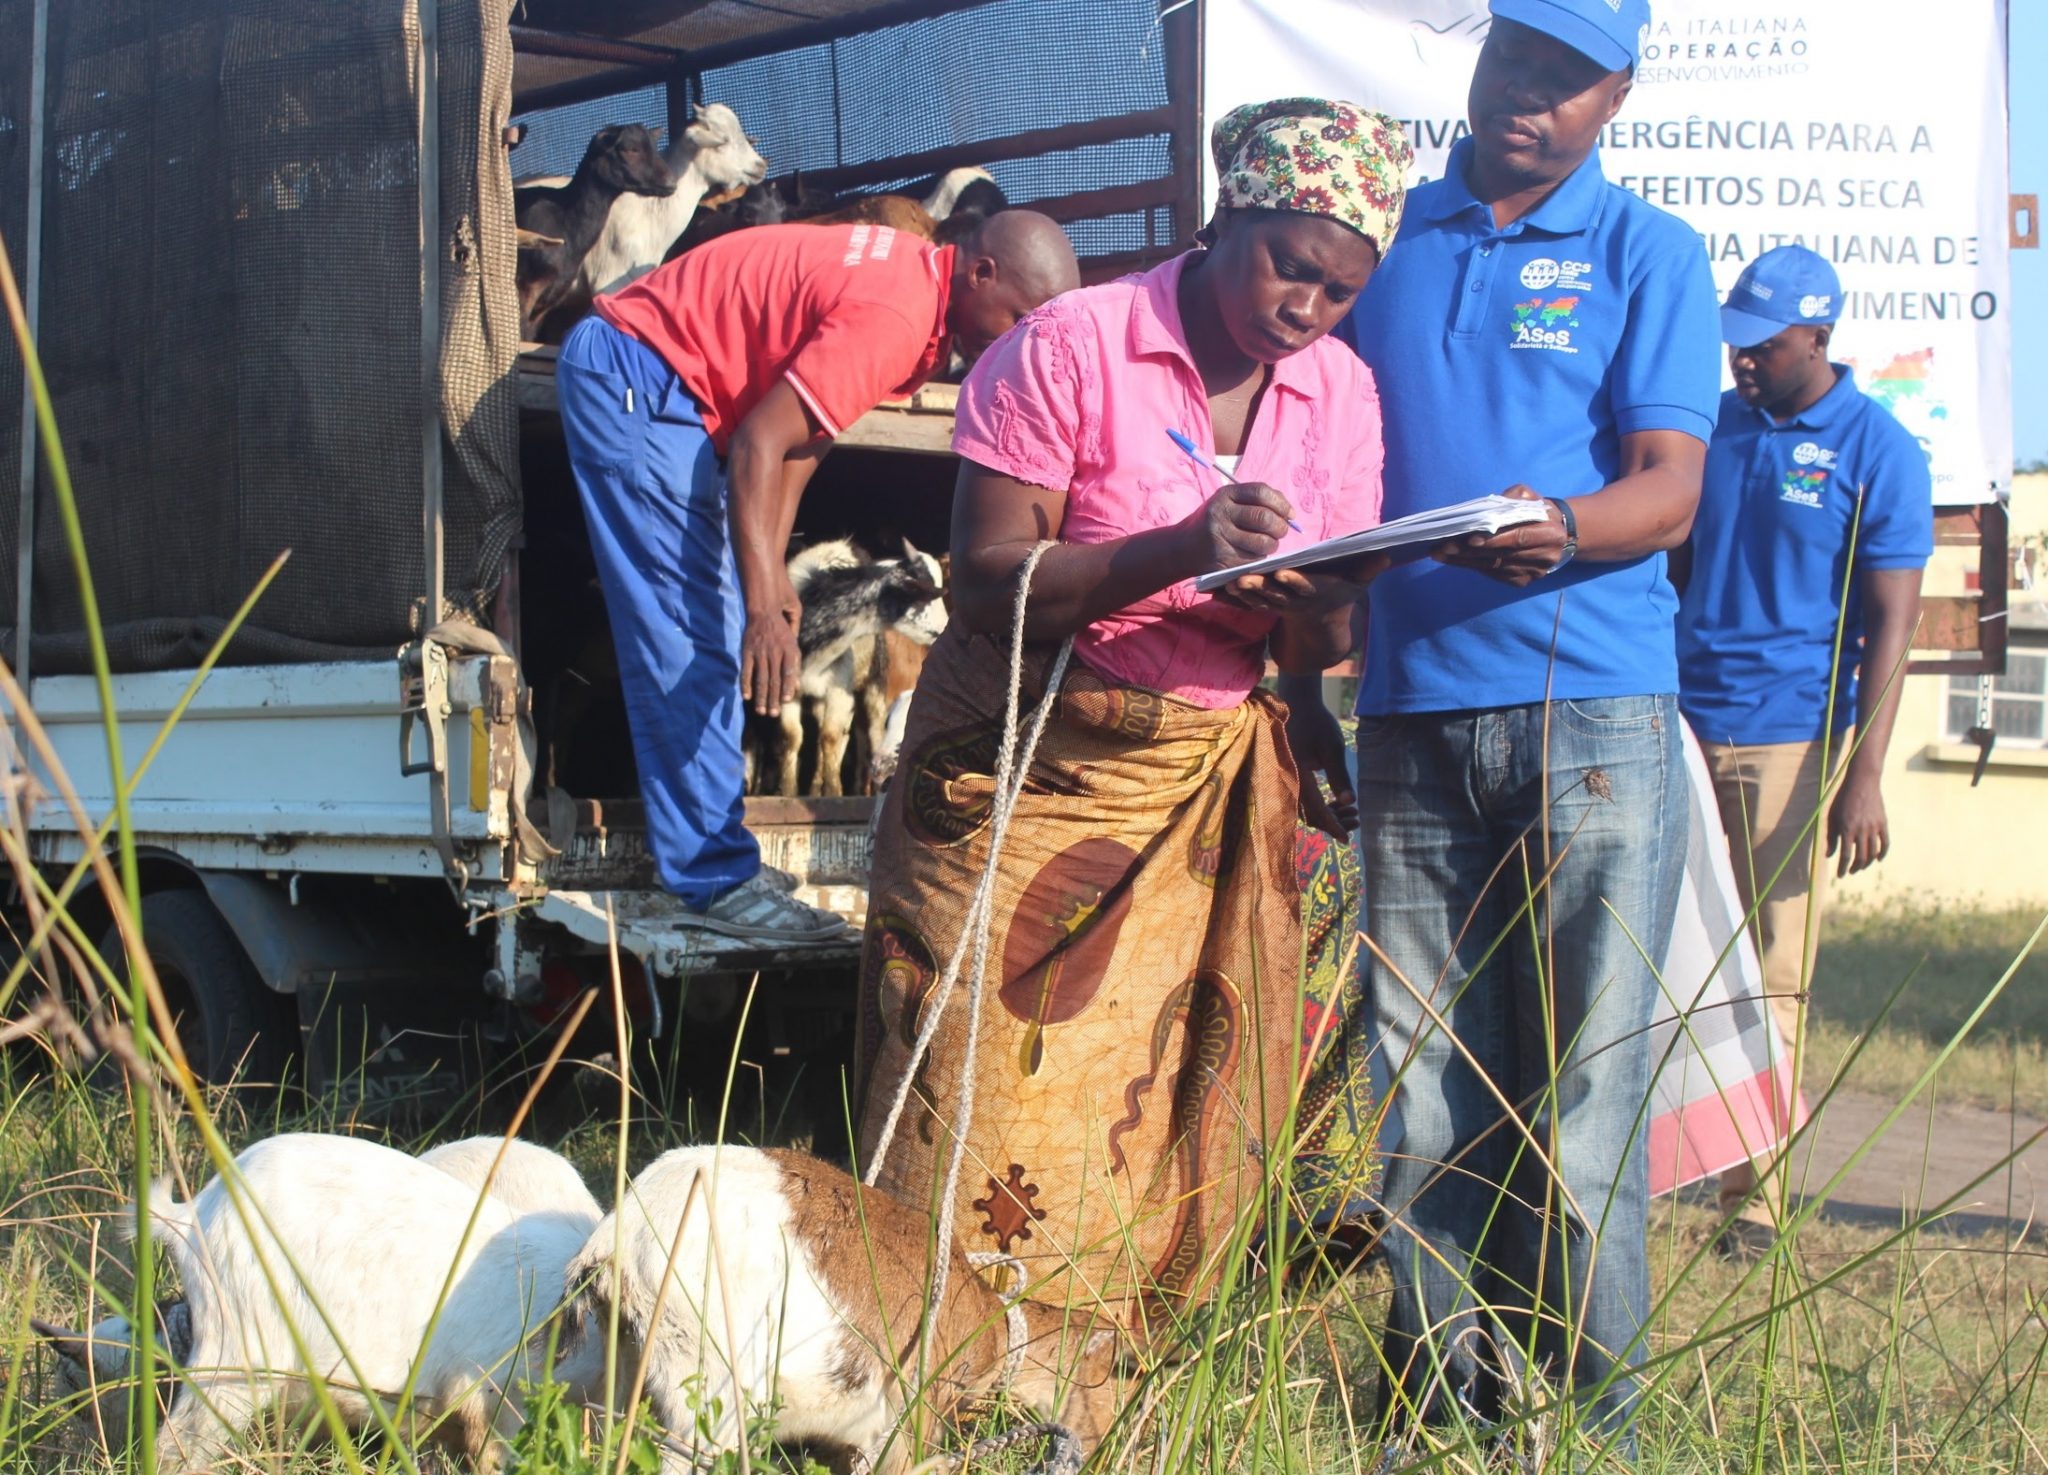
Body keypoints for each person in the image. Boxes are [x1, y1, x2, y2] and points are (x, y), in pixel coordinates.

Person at [853, 98, 1411, 1339]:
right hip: (1023, 767)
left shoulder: (1340, 395)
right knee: (980, 1095)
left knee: (1163, 1111)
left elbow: (1315, 636)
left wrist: (1322, 610)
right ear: (1226, 219)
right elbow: (988, 583)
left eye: (1337, 289)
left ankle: (1102, 1381)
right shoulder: (1069, 345)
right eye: (1287, 264)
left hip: (1196, 782)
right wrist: (1171, 549)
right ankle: (935, 1360)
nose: (1303, 308)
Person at [1312, 0, 1721, 1449]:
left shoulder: (1647, 254)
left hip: (1591, 710)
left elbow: (1670, 485)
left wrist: (1566, 526)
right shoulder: (1394, 240)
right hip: (1411, 716)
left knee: (1587, 1096)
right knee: (1419, 1089)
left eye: (1565, 80)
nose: (1526, 100)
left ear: (1617, 95)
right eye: (1510, 64)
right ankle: (1436, 1411)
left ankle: (1598, 1426)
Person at [554, 212, 1079, 942]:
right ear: (981, 272)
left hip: (670, 388)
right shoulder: (897, 315)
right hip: (638, 375)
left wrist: (768, 584)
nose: (1020, 339)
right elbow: (758, 447)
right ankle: (710, 881)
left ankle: (717, 860)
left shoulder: (921, 304)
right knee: (692, 631)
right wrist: (762, 602)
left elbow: (800, 448)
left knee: (723, 614)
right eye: (1020, 317)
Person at [1674, 245, 1932, 1261]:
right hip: (1681, 718)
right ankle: (1662, 1157)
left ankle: (1755, 1196)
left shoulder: (1878, 447)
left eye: (1762, 346)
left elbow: (1892, 622)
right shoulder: (1716, 426)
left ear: (1816, 339)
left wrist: (1862, 770)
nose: (1741, 362)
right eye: (1733, 343)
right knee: (1673, 955)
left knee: (1772, 967)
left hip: (1789, 734)